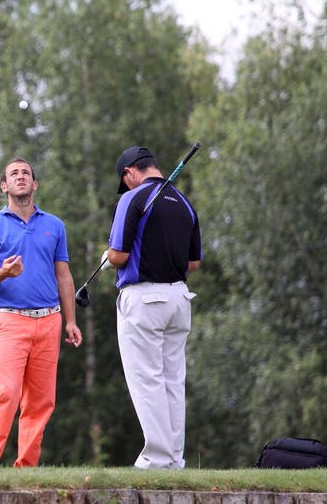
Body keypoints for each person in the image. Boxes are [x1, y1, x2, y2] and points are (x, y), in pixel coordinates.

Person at [0, 156, 82, 469]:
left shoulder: (54, 225)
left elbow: (63, 275)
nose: (20, 177)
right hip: (10, 320)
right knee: (5, 391)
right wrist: (3, 272)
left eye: (25, 173)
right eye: (13, 174)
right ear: (4, 186)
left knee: (41, 400)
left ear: (35, 184)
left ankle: (26, 468)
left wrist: (71, 320)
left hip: (50, 320)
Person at [104, 146, 202, 470]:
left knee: (147, 379)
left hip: (144, 300)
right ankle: (174, 459)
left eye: (126, 181)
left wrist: (108, 258)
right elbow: (194, 262)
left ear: (130, 172)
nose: (127, 186)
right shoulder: (185, 203)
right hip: (179, 299)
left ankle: (156, 458)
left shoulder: (132, 199)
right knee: (173, 380)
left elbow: (118, 255)